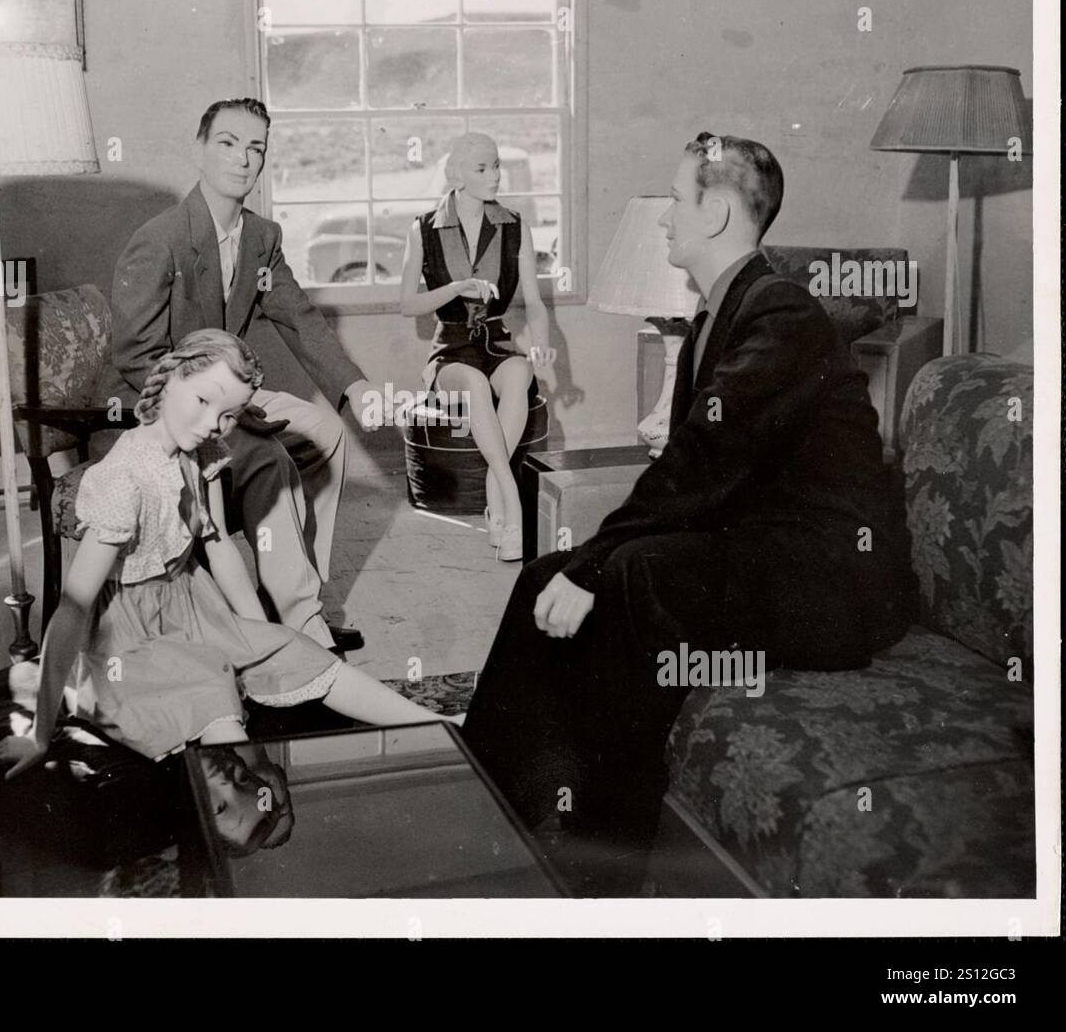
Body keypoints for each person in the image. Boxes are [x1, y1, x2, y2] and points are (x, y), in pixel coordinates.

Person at [460, 133, 915, 891]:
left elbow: (700, 462)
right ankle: (486, 809)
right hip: (775, 552)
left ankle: (602, 866)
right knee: (544, 574)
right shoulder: (722, 311)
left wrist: (595, 561)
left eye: (676, 199)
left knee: (634, 575)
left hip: (839, 582)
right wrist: (576, 567)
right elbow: (702, 471)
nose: (665, 219)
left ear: (717, 214)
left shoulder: (783, 316)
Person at [0, 331, 459, 805]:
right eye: (203, 401)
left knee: (302, 654)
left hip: (193, 603)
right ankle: (231, 828)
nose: (213, 424)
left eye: (228, 415)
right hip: (128, 637)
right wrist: (40, 734)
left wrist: (261, 640)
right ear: (172, 379)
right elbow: (73, 610)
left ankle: (446, 727)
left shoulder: (204, 450)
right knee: (217, 706)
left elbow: (220, 550)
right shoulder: (121, 480)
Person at [111, 97, 385, 653]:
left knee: (326, 432)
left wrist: (355, 385)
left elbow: (300, 318)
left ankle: (293, 592)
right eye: (227, 143)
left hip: (232, 397)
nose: (242, 159)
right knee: (266, 454)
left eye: (255, 148)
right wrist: (213, 409)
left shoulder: (262, 237)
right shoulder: (161, 239)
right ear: (199, 150)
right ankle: (301, 628)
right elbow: (136, 356)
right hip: (165, 406)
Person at [398, 133, 556, 560]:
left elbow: (536, 305)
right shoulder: (423, 228)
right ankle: (510, 497)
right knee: (474, 385)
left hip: (498, 343)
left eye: (497, 165)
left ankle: (494, 500)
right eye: (482, 168)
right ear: (457, 175)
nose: (496, 176)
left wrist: (540, 346)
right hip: (450, 352)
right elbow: (406, 304)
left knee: (522, 373)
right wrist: (458, 287)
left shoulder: (514, 225)